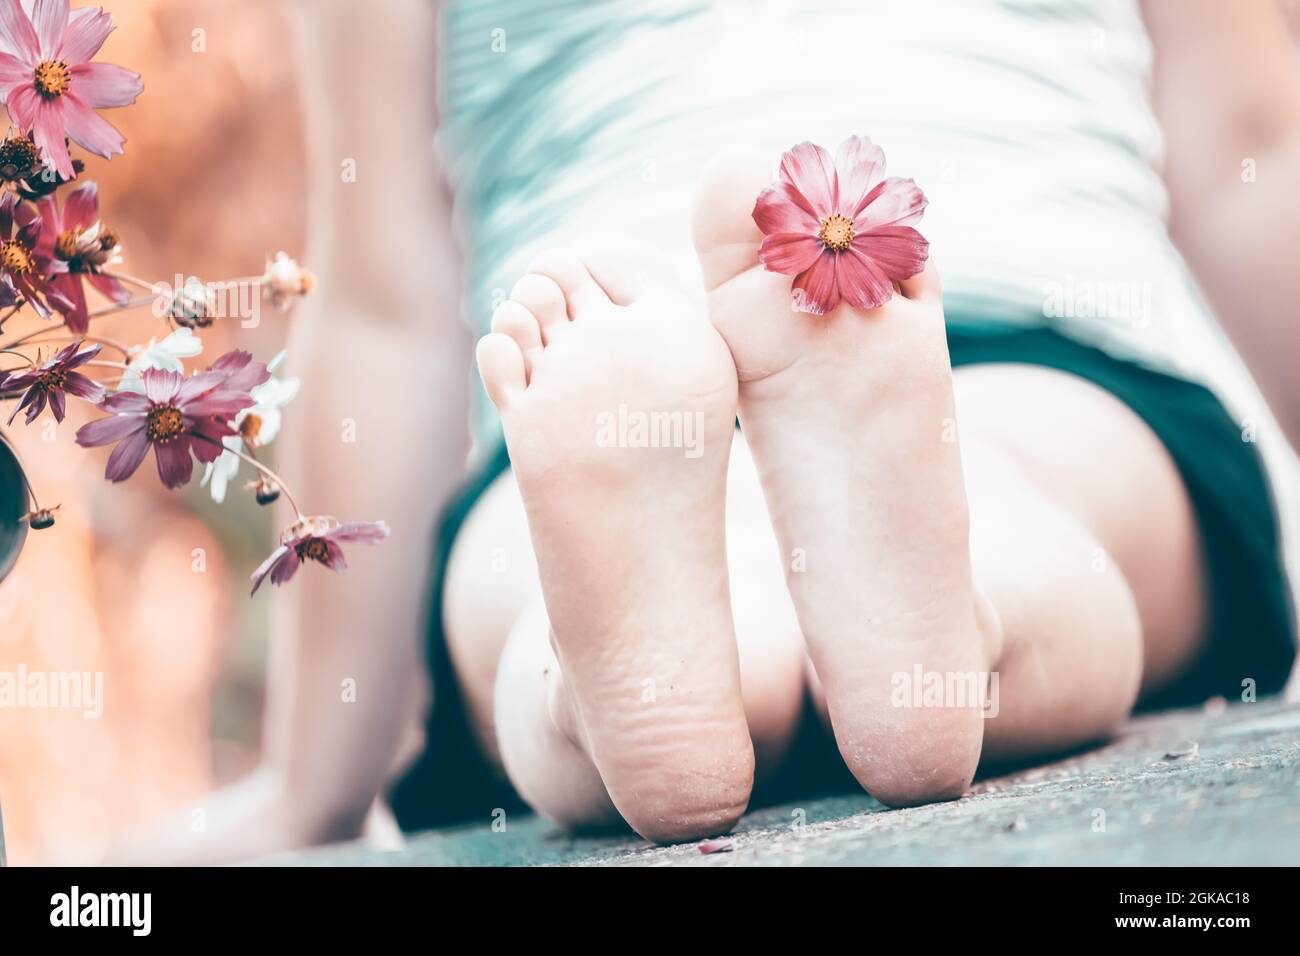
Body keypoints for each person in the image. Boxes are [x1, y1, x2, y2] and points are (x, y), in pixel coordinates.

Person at [112, 0, 1299, 861]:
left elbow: (389, 306)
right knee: (1011, 501)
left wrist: (308, 790)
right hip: (1031, 336)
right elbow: (1254, 158)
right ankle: (956, 634)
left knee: (546, 600)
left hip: (587, 343)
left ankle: (598, 693)